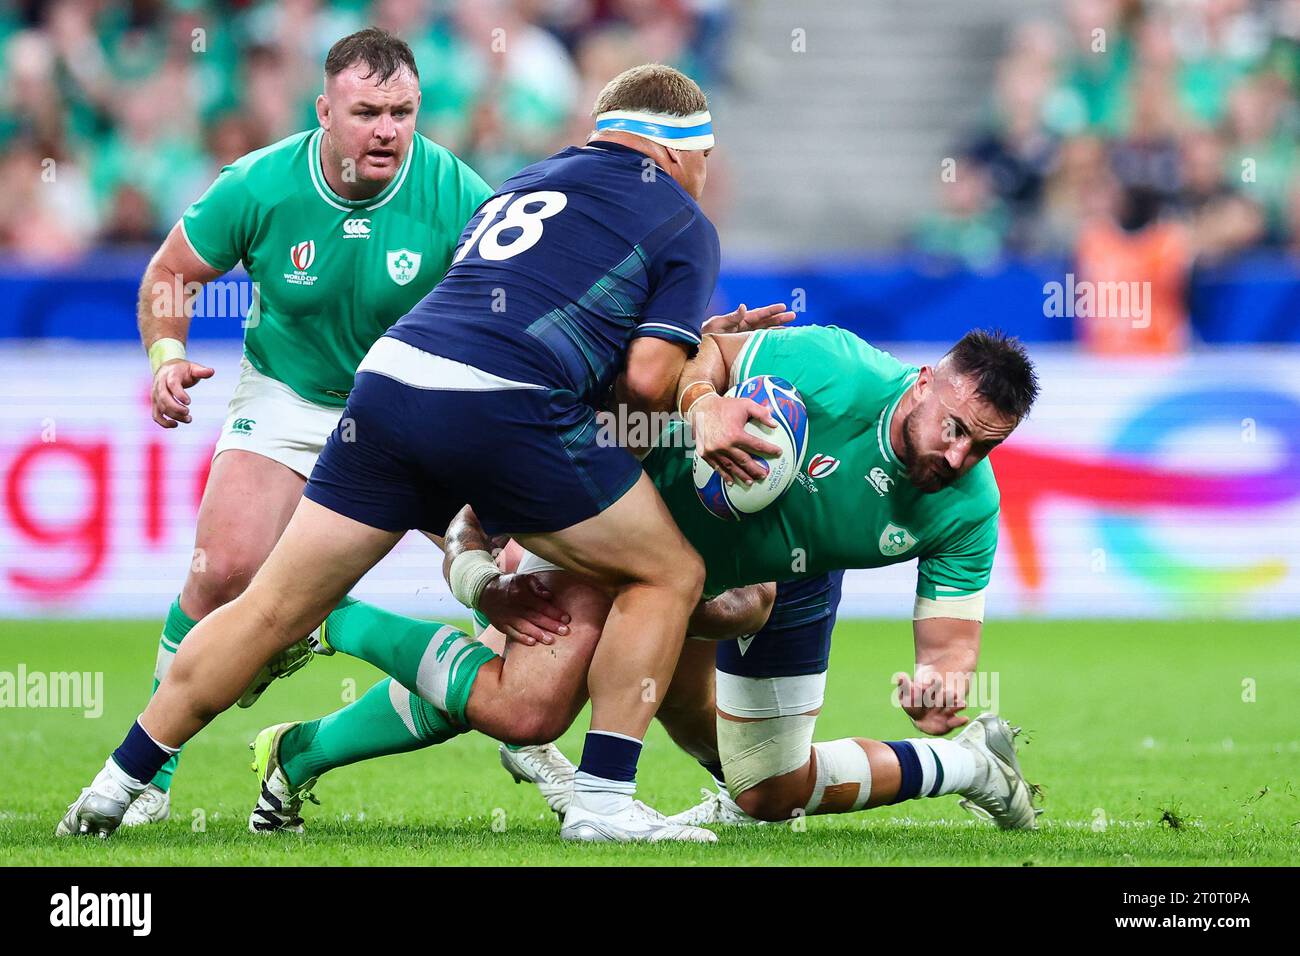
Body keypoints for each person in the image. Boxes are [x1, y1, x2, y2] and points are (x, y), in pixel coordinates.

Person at [59, 63, 775, 844]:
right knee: (670, 572)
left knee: (267, 605)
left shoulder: (523, 183)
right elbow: (641, 382)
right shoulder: (679, 218)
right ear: (680, 152)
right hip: (497, 407)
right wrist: (700, 378)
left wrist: (686, 345)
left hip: (390, 387)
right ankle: (604, 801)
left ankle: (114, 784)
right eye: (707, 156)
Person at [242, 327, 1042, 833]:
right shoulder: (831, 367)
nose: (960, 457)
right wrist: (704, 400)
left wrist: (940, 691)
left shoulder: (967, 508)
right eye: (956, 430)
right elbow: (709, 353)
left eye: (986, 446)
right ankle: (331, 635)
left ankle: (969, 764)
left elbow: (947, 650)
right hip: (640, 537)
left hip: (773, 589)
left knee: (765, 791)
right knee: (528, 692)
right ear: (926, 380)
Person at [122, 27, 493, 826]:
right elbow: (171, 273)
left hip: (407, 406)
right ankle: (152, 773)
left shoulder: (459, 192)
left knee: (516, 592)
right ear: (324, 110)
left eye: (403, 112)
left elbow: (506, 309)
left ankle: (508, 737)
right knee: (221, 571)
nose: (388, 130)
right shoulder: (259, 184)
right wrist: (165, 356)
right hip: (289, 396)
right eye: (367, 112)